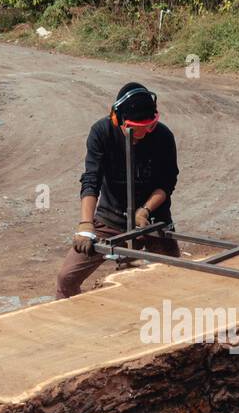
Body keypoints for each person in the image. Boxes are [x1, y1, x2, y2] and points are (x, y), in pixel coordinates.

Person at [55, 82, 180, 299]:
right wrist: (86, 224)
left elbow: (167, 183)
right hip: (110, 220)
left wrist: (145, 211)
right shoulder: (101, 133)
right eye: (135, 127)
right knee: (66, 278)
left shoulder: (163, 137)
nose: (143, 133)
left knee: (176, 277)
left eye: (149, 126)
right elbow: (91, 179)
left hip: (151, 221)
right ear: (117, 118)